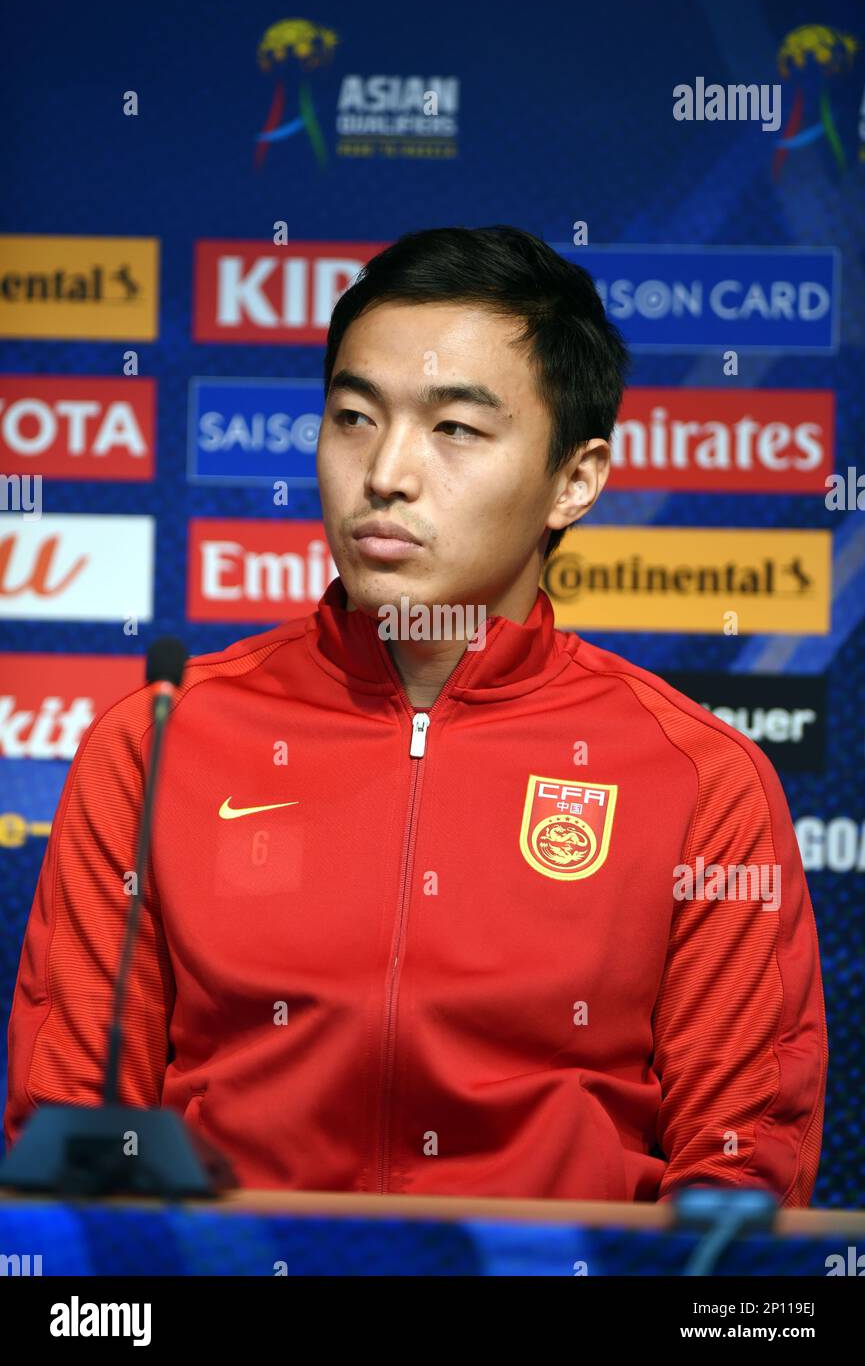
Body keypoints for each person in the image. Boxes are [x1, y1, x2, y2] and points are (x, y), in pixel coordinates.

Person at [4, 226, 827, 1202]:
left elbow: (739, 1172)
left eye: (455, 429)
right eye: (354, 417)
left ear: (575, 480)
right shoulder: (157, 741)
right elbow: (73, 1135)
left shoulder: (701, 779)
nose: (386, 473)